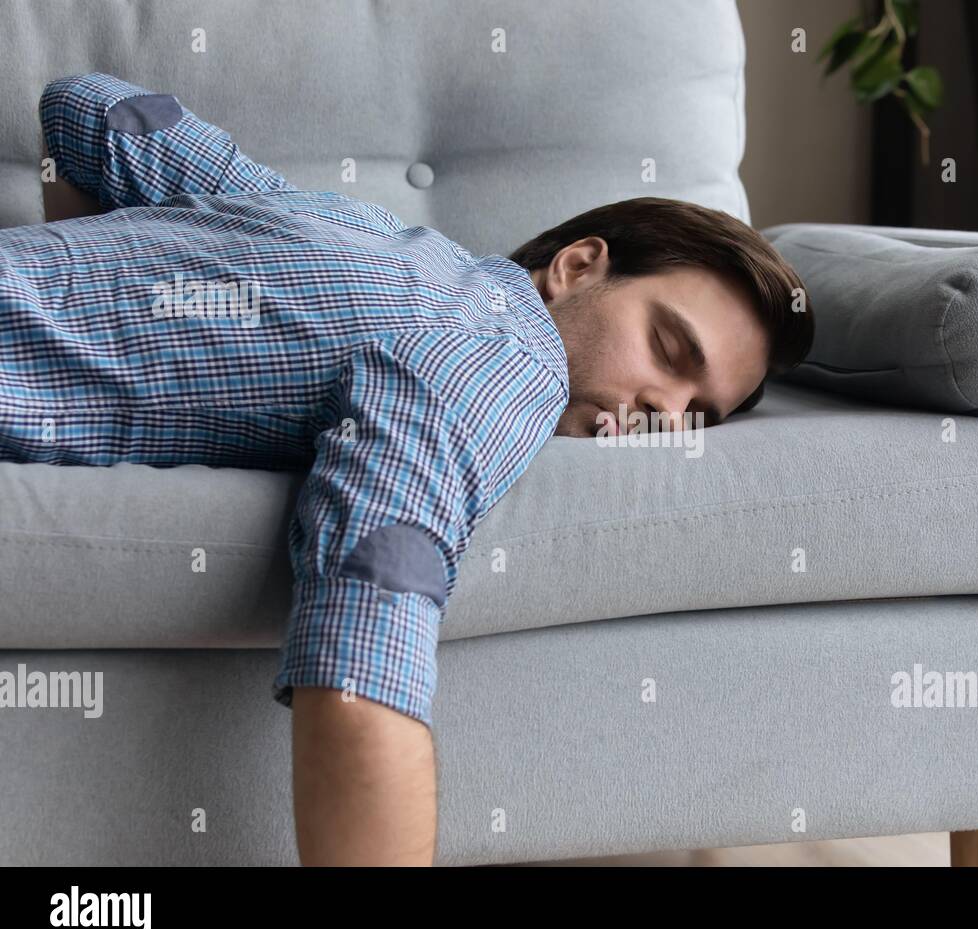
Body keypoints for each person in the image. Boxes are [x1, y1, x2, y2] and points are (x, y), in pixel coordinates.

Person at [2, 72, 814, 864]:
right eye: (670, 350)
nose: (666, 414)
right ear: (577, 267)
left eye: (695, 415)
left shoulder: (341, 221)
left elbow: (88, 109)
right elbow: (373, 600)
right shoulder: (507, 361)